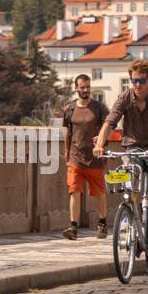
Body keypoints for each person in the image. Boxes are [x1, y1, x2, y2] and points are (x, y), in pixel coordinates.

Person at [93, 60, 148, 269]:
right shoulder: (125, 98)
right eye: (134, 80)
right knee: (130, 189)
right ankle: (133, 222)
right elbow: (110, 122)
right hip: (133, 147)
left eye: (142, 81)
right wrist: (100, 144)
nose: (137, 85)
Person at [61, 74, 109, 241]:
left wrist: (102, 142)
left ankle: (102, 223)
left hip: (95, 158)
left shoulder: (99, 108)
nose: (85, 90)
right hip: (75, 158)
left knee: (99, 193)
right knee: (74, 191)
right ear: (76, 88)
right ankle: (73, 226)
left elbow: (108, 127)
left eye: (88, 87)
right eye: (82, 87)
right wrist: (67, 153)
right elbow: (68, 132)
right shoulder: (69, 109)